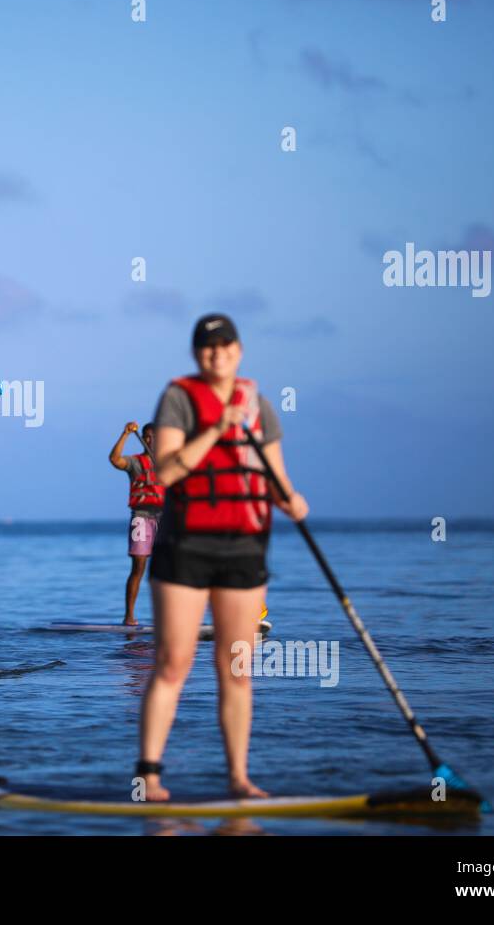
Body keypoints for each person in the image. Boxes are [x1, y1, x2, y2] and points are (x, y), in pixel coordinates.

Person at [136, 315, 308, 800]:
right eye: (207, 347)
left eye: (225, 345)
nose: (217, 353)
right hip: (185, 547)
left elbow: (275, 476)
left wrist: (291, 499)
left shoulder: (260, 406)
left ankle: (239, 778)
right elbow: (166, 472)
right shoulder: (178, 400)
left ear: (239, 350)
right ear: (197, 354)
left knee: (237, 668)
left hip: (244, 549)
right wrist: (215, 430)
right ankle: (148, 777)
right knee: (173, 661)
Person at [108, 422, 164, 625]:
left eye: (153, 436)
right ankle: (129, 617)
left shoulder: (168, 463)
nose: (149, 440)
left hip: (164, 518)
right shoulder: (136, 463)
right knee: (139, 566)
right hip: (141, 517)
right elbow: (114, 460)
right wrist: (125, 433)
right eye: (146, 436)